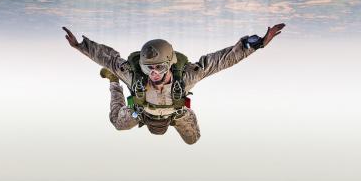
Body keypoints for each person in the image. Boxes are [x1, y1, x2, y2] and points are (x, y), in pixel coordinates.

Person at [63, 24, 285, 144]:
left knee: (193, 140)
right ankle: (113, 83)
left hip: (177, 114)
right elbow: (108, 58)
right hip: (141, 112)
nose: (154, 73)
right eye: (149, 67)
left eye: (160, 67)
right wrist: (80, 46)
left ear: (170, 64)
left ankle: (175, 119)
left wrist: (255, 44)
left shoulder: (185, 78)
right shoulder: (135, 75)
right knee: (118, 122)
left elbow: (221, 61)